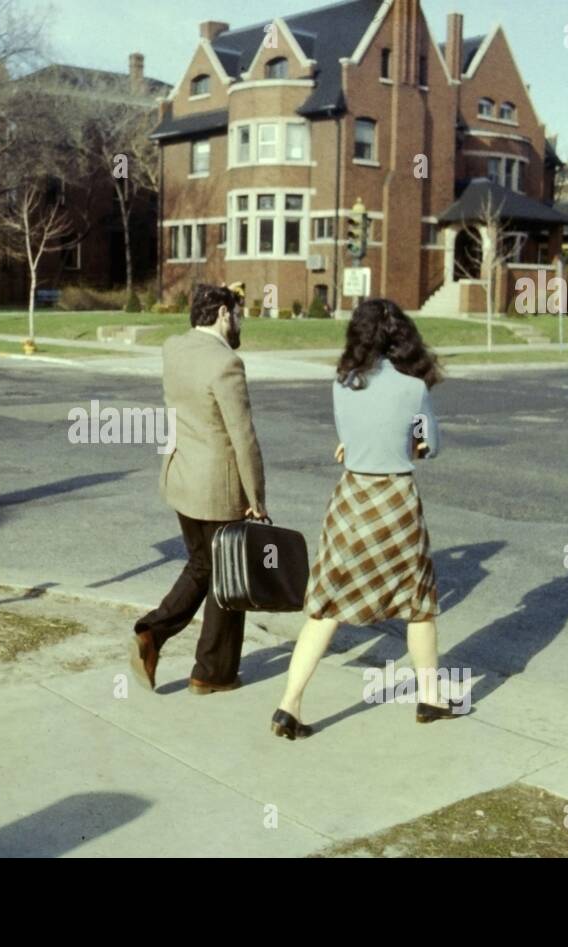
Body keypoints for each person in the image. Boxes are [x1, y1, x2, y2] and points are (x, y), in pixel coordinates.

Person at [271, 298, 461, 739]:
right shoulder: (413, 389)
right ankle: (430, 698)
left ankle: (289, 703)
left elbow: (349, 439)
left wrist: (353, 447)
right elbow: (426, 444)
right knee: (418, 606)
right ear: (402, 337)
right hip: (395, 503)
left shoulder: (343, 384)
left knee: (325, 607)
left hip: (351, 499)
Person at [130, 283, 266, 695]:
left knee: (202, 566)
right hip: (219, 488)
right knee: (229, 581)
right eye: (237, 313)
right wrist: (256, 499)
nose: (240, 321)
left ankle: (151, 632)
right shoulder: (227, 363)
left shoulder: (174, 348)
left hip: (182, 480)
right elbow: (243, 437)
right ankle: (212, 672)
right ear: (224, 313)